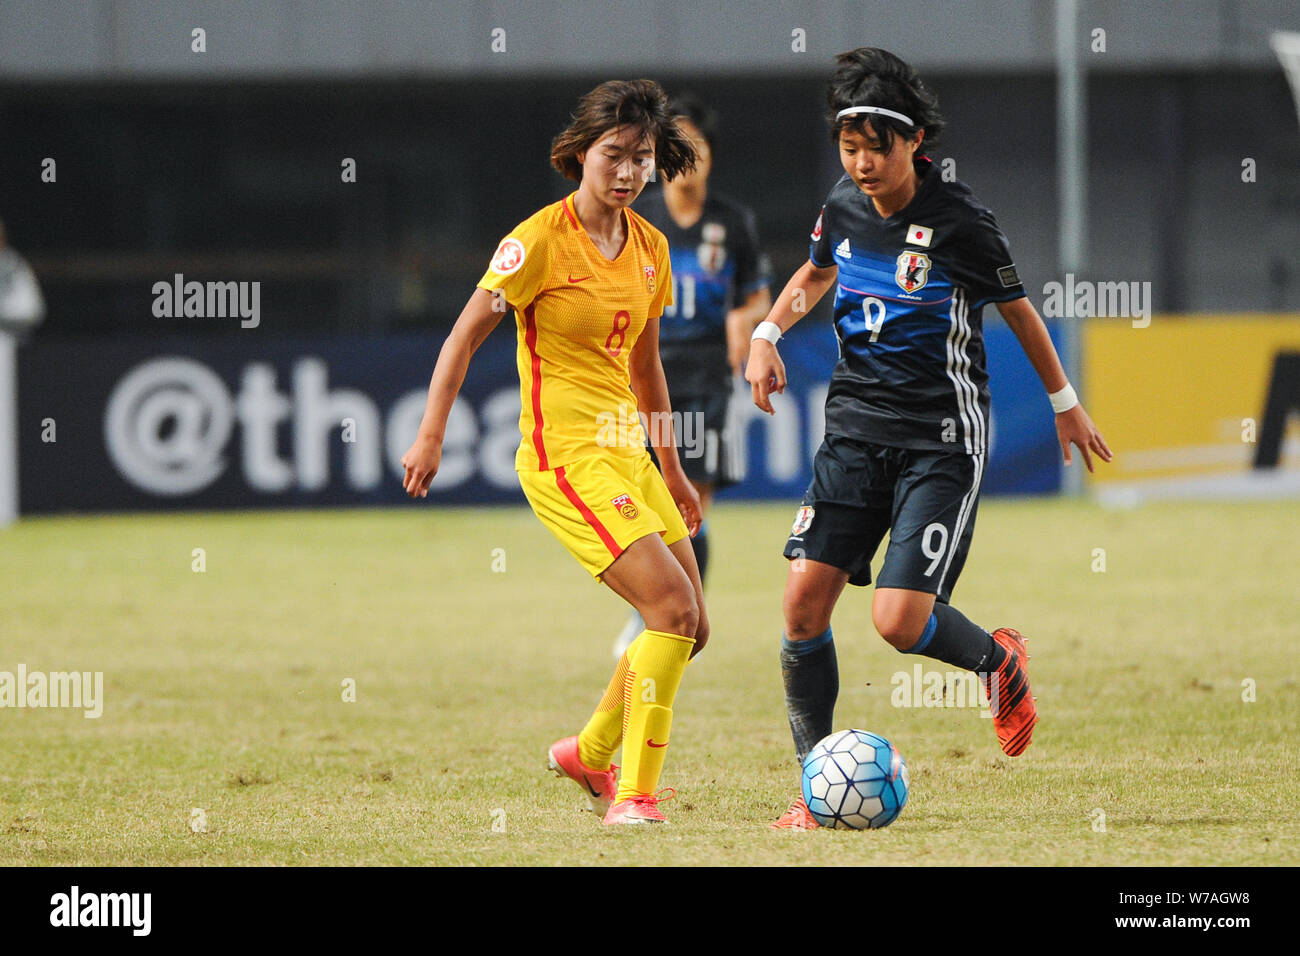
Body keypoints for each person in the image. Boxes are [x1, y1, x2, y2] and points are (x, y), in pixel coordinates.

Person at [745, 48, 1112, 829]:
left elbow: (1020, 313)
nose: (863, 162)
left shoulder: (962, 223)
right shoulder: (842, 204)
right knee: (802, 606)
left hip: (940, 441)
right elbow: (815, 272)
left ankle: (997, 661)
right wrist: (769, 332)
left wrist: (1065, 403)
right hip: (852, 431)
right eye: (850, 146)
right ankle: (815, 789)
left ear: (914, 142)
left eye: (877, 146)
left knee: (897, 622)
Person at [401, 79, 708, 825]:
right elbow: (463, 335)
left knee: (693, 627)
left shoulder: (651, 248)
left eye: (641, 157)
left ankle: (590, 753)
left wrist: (671, 466)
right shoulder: (537, 240)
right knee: (668, 609)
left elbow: (646, 368)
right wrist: (431, 433)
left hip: (630, 454)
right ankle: (633, 798)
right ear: (579, 154)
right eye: (614, 155)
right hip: (565, 458)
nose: (629, 171)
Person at [611, 93, 773, 657]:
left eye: (694, 148)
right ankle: (655, 611)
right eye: (674, 149)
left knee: (689, 506)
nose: (686, 159)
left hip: (705, 375)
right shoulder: (639, 217)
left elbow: (760, 298)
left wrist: (744, 318)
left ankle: (679, 620)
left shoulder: (732, 222)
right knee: (639, 504)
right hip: (643, 375)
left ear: (709, 155)